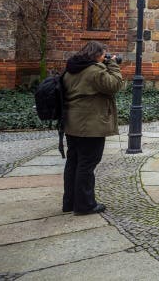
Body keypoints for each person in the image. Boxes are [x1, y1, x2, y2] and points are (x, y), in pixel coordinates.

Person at [61, 41, 123, 215]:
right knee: (87, 164)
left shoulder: (71, 69)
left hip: (72, 124)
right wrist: (113, 64)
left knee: (73, 162)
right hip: (90, 125)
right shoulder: (94, 71)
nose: (106, 58)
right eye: (104, 55)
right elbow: (115, 85)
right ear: (96, 55)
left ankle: (70, 202)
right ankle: (85, 205)